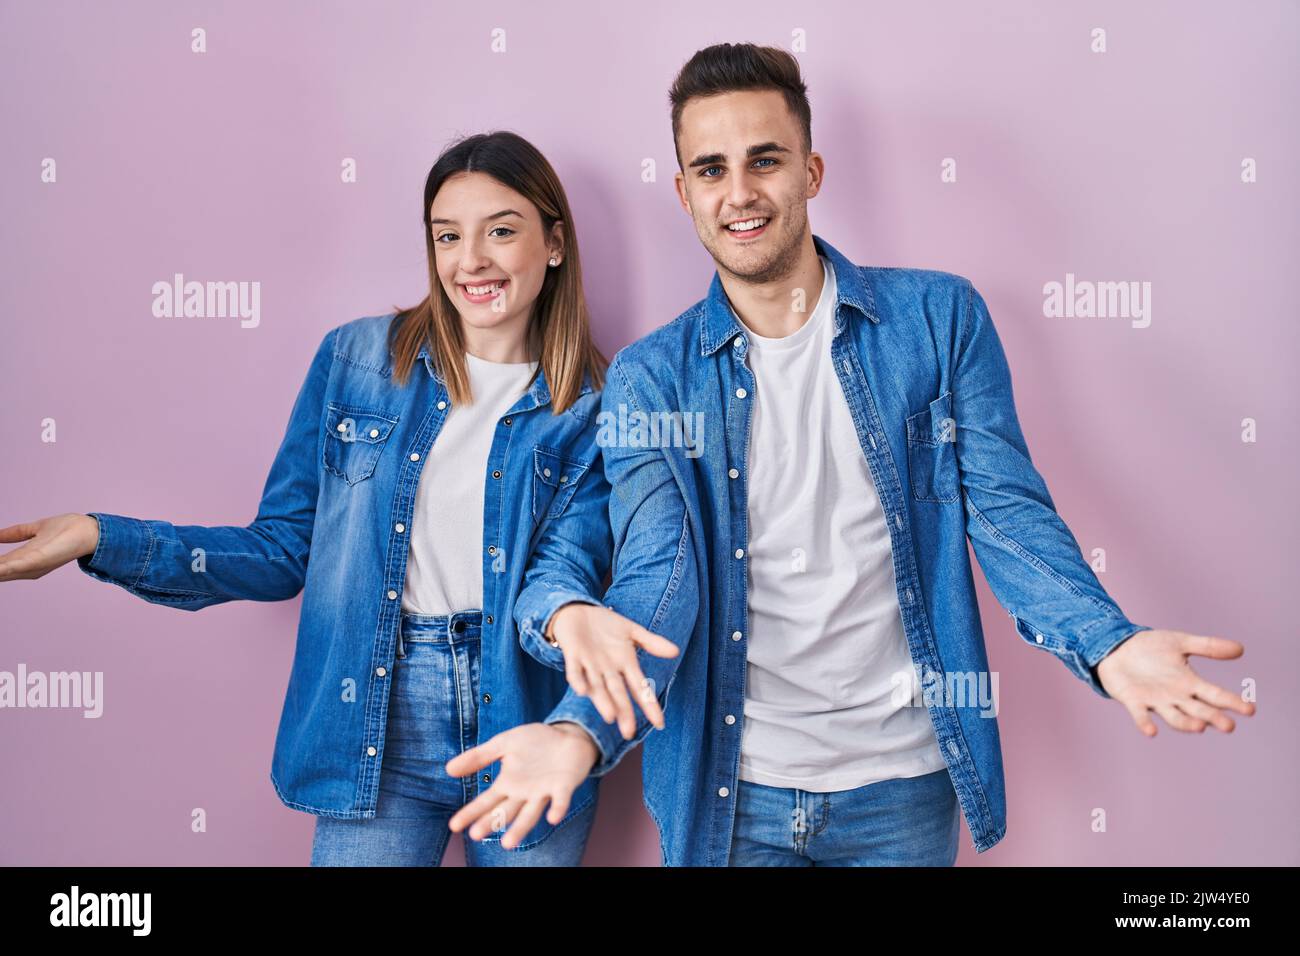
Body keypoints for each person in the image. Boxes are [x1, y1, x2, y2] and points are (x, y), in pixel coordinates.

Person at [450, 43, 1255, 867]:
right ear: (685, 190)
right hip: (733, 793)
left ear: (812, 170)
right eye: (712, 168)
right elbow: (662, 576)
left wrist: (1107, 642)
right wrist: (578, 733)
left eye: (765, 160)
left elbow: (1007, 513)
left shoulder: (939, 320)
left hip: (902, 787)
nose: (740, 193)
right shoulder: (653, 378)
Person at [0, 130, 666, 866]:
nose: (470, 260)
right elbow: (282, 551)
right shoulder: (356, 362)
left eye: (500, 231)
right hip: (372, 716)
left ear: (554, 243)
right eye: (448, 236)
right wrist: (101, 536)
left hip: (523, 716)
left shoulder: (596, 408)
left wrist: (571, 621)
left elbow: (558, 575)